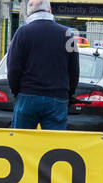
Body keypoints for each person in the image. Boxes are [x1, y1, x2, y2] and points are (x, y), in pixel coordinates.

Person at [6, 0, 79, 130]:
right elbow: (74, 69)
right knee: (54, 146)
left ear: (29, 13)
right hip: (57, 98)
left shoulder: (22, 32)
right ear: (50, 10)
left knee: (22, 142)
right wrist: (68, 94)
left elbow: (13, 68)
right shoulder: (68, 34)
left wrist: (17, 92)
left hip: (27, 96)